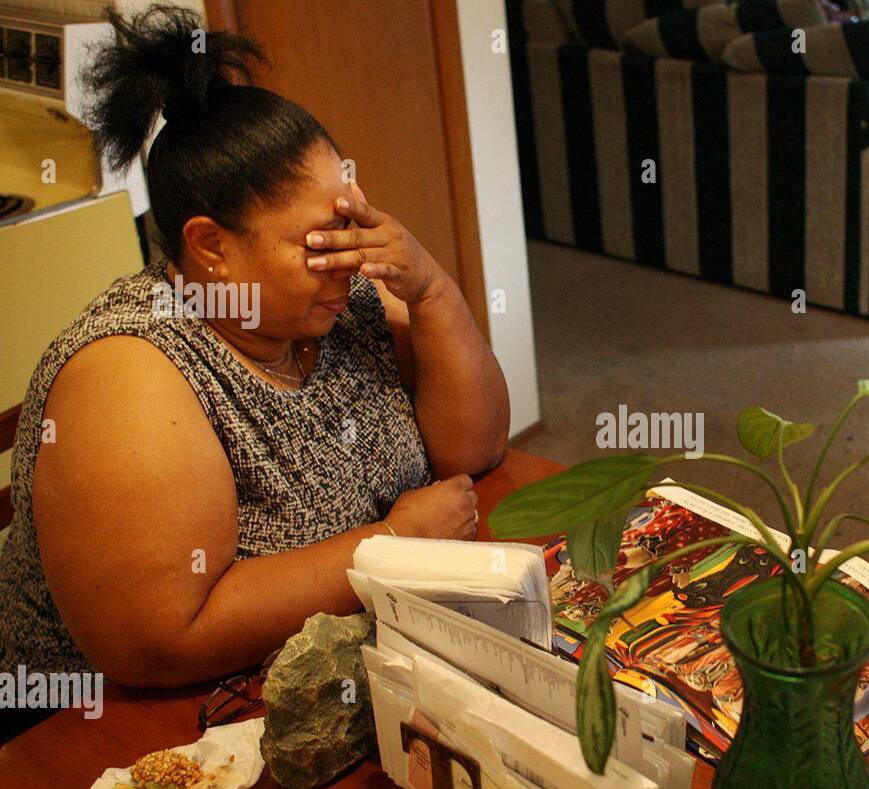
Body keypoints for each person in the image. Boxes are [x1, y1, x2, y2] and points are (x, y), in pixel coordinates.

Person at [0, 6, 509, 723]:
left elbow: (476, 449)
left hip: (321, 681)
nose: (351, 256)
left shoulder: (337, 294)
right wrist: (395, 544)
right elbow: (163, 640)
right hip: (101, 740)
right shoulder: (127, 373)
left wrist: (428, 289)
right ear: (210, 246)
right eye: (321, 237)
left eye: (353, 220)